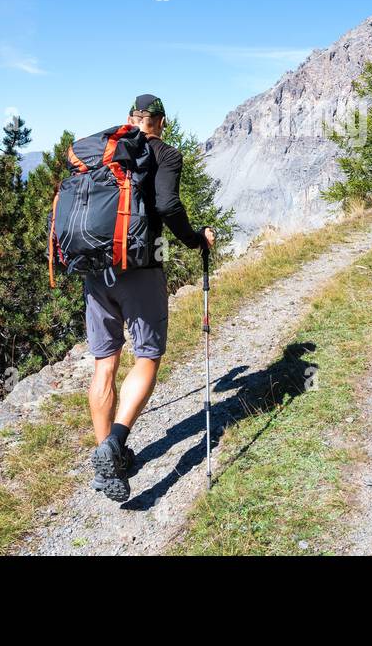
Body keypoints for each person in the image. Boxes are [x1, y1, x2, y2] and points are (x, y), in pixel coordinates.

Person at [88, 94, 215, 502]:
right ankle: (114, 444)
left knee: (104, 364)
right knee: (147, 356)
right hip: (140, 267)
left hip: (95, 268)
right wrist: (197, 239)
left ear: (131, 119)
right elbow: (168, 205)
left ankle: (108, 460)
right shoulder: (165, 154)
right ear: (161, 121)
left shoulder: (105, 150)